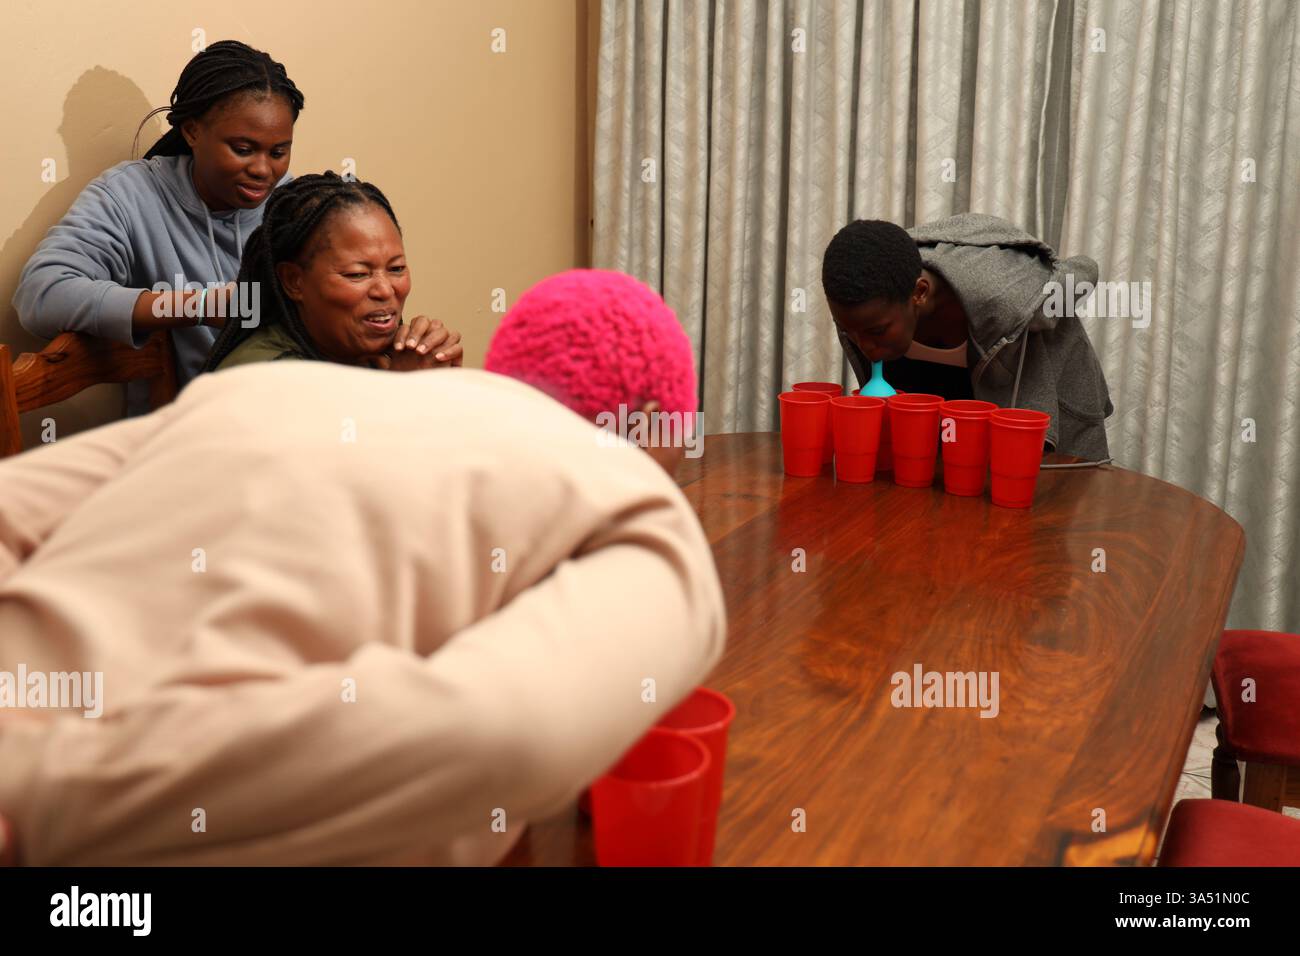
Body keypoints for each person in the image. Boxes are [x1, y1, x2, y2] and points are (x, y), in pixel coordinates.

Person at [0, 273, 722, 866]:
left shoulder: (259, 391)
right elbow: (504, 734)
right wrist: (42, 792)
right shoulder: (644, 506)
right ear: (655, 425)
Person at [13, 41, 302, 412]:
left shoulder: (294, 205)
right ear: (192, 131)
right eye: (243, 149)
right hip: (183, 432)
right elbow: (41, 294)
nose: (263, 170)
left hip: (291, 415)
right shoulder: (131, 196)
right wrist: (197, 305)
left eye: (278, 152)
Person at [821, 215, 1113, 459]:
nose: (865, 347)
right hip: (951, 423)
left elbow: (1084, 270)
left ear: (919, 293)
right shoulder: (864, 290)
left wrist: (1038, 306)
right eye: (849, 331)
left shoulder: (1003, 299)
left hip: (1050, 424)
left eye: (876, 332)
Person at [202, 173, 461, 372]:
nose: (384, 290)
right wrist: (405, 388)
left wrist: (440, 379)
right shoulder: (264, 375)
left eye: (396, 269)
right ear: (294, 281)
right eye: (357, 274)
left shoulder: (370, 357)